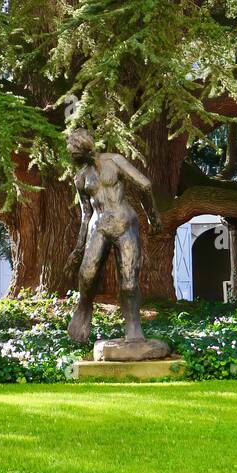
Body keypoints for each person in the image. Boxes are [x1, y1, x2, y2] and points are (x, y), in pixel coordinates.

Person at [65, 127, 163, 345]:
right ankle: (84, 308)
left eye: (72, 151)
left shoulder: (115, 161)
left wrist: (153, 218)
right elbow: (85, 214)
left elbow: (145, 185)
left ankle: (133, 328)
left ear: (83, 148)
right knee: (87, 275)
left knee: (129, 283)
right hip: (98, 226)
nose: (70, 156)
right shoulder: (81, 178)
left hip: (124, 223)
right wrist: (78, 248)